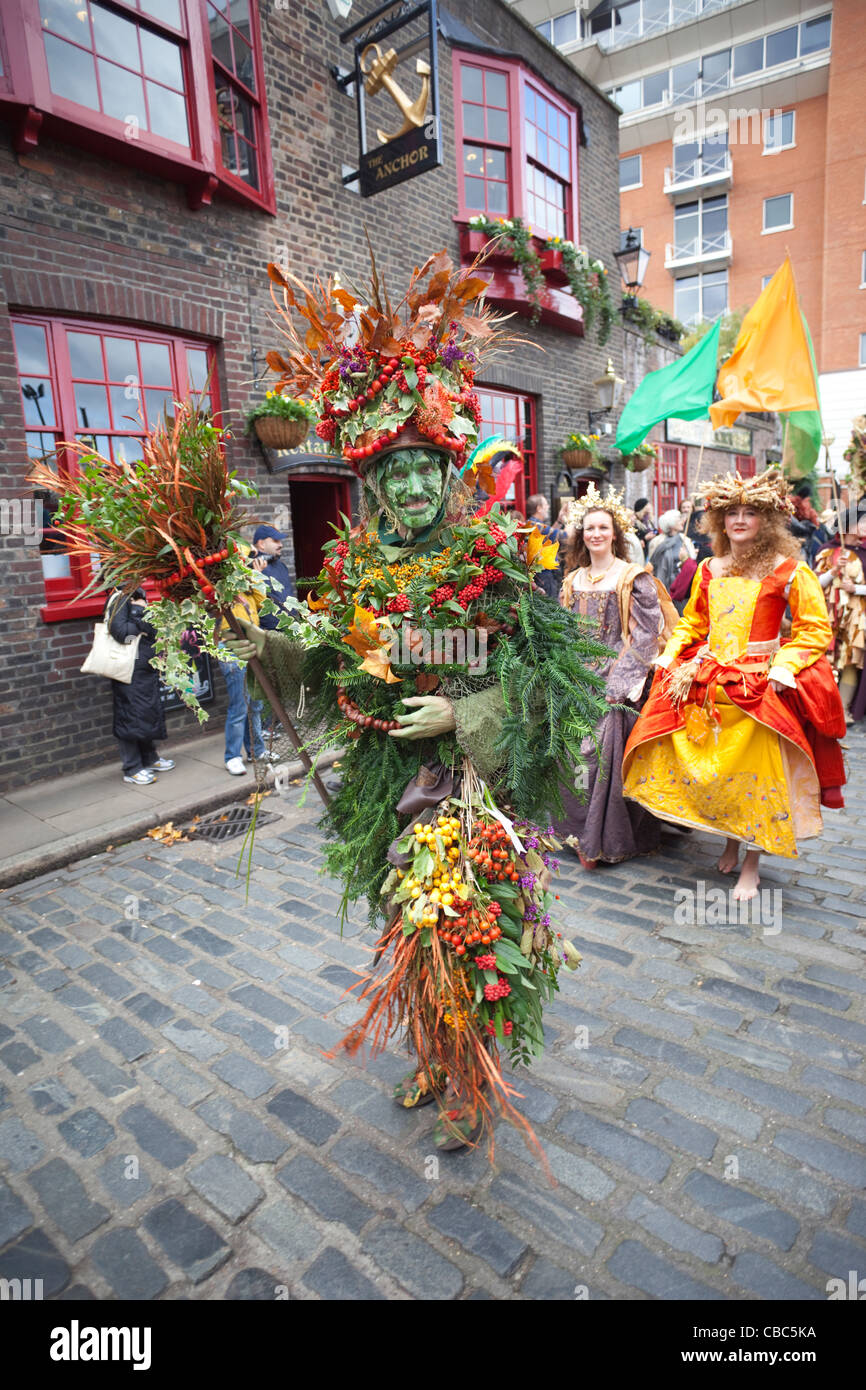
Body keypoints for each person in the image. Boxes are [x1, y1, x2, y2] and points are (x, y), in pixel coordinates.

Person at [223, 247, 608, 1153]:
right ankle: (436, 1056)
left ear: (445, 473)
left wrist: (463, 714)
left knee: (469, 928)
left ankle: (473, 1080)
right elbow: (328, 668)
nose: (405, 485)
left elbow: (539, 683)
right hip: (383, 777)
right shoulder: (353, 569)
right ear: (370, 479)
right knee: (411, 923)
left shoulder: (494, 563)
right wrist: (266, 649)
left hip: (465, 783)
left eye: (421, 469)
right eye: (388, 471)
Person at [623, 468, 847, 902]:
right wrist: (672, 654)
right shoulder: (708, 567)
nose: (739, 520)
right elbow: (694, 622)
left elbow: (815, 629)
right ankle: (729, 840)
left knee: (757, 778)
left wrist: (786, 666)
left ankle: (752, 863)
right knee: (720, 775)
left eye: (750, 513)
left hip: (760, 689)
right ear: (719, 521)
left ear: (768, 519)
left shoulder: (788, 570)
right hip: (711, 685)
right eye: (732, 513)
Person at [556, 485, 662, 868]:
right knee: (568, 752)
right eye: (589, 528)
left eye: (602, 527)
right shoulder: (572, 580)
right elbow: (564, 632)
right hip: (575, 675)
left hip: (615, 677)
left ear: (615, 533)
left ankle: (600, 838)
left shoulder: (632, 578)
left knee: (600, 749)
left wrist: (617, 684)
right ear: (581, 534)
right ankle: (575, 831)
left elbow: (647, 635)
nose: (595, 534)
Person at [107, 588, 174, 786]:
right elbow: (121, 634)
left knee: (144, 713)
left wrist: (141, 616)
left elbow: (152, 630)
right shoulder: (119, 598)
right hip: (128, 669)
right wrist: (138, 612)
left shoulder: (138, 596)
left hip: (144, 669)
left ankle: (149, 758)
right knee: (129, 716)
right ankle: (132, 768)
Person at [814, 510, 866, 721]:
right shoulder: (826, 550)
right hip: (828, 614)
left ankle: (844, 710)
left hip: (857, 619)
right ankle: (826, 707)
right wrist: (833, 571)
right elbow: (814, 584)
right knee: (829, 659)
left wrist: (857, 589)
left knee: (852, 660)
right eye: (861, 522)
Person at [250, 524, 296, 629]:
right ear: (261, 544)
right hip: (268, 633)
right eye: (276, 541)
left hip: (291, 628)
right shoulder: (250, 566)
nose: (281, 545)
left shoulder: (281, 565)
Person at [525, 493, 566, 599]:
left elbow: (549, 535)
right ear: (539, 508)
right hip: (544, 576)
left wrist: (559, 520)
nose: (548, 507)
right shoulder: (535, 526)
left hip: (542, 576)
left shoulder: (533, 524)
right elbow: (564, 536)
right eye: (546, 504)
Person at [649, 509, 687, 593]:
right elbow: (655, 566)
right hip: (666, 586)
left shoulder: (684, 539)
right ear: (672, 523)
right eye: (679, 519)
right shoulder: (659, 542)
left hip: (682, 587)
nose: (682, 521)